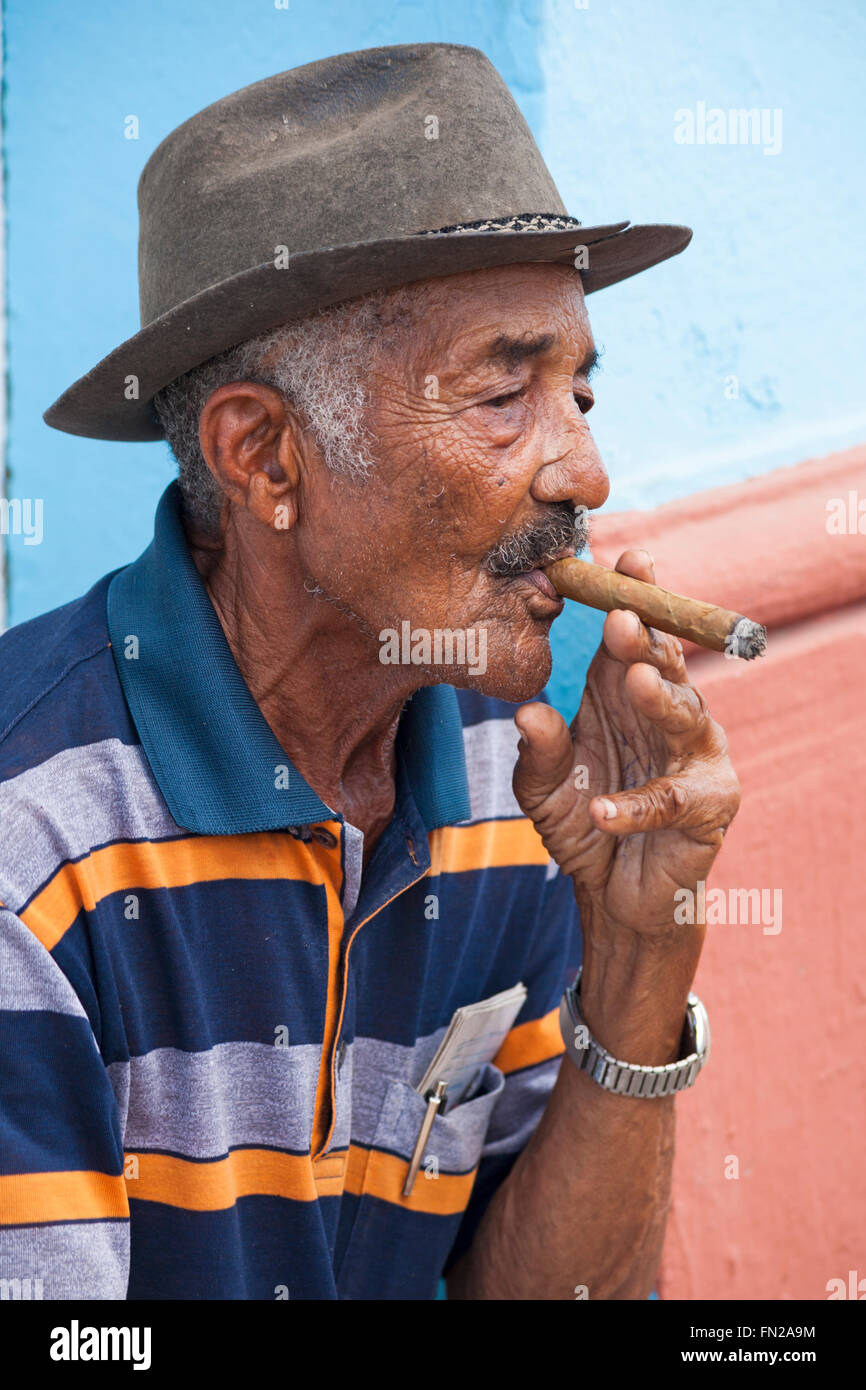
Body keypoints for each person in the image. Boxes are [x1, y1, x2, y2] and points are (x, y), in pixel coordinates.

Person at [0, 42, 739, 1299]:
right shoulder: (33, 849)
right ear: (266, 459)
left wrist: (633, 966)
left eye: (580, 393)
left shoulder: (521, 766)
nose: (584, 474)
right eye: (505, 393)